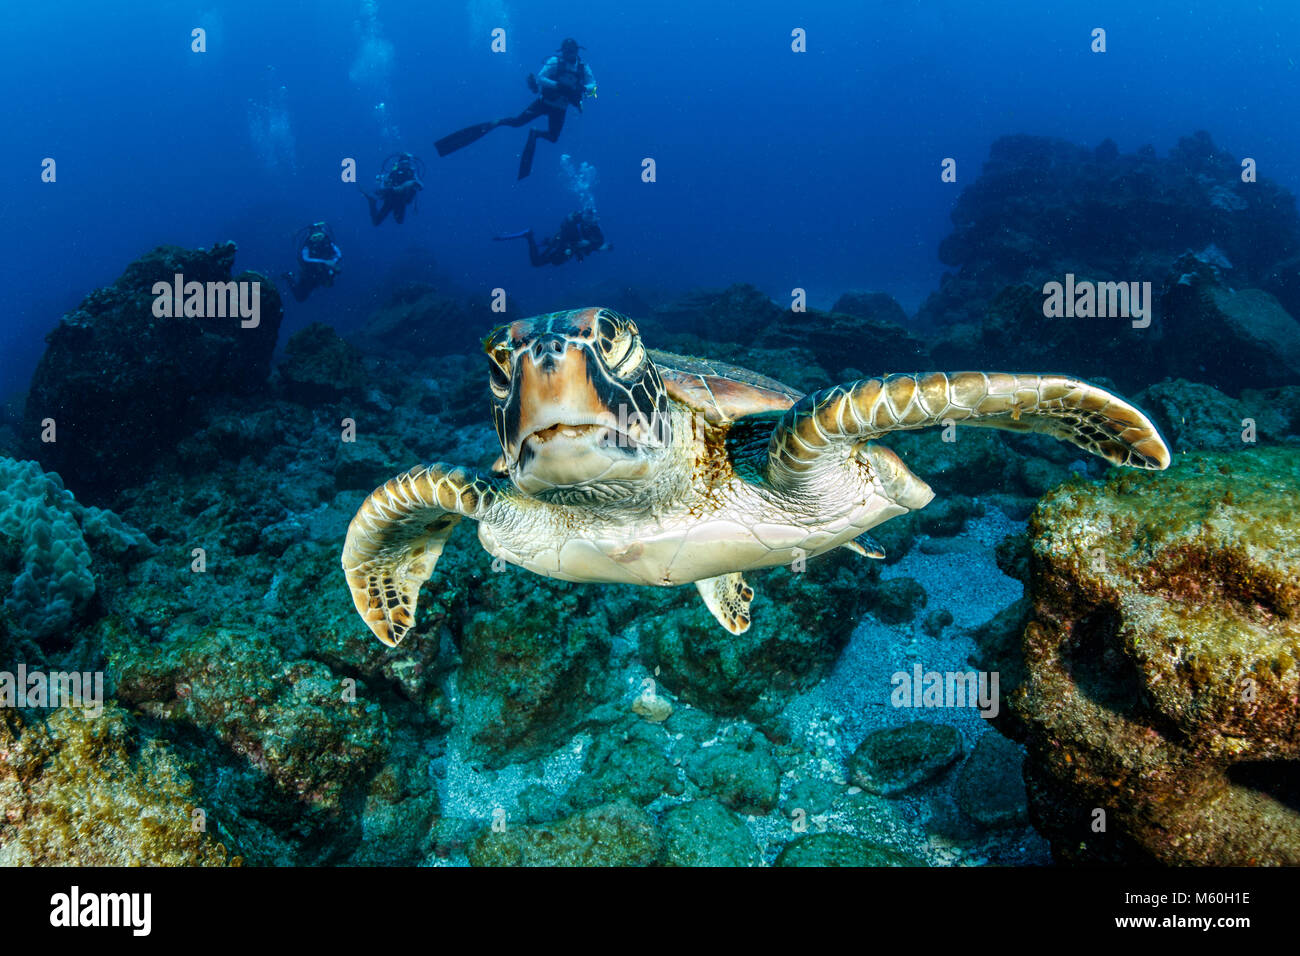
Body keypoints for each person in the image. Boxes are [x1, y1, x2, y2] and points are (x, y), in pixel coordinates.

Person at [435, 38, 597, 179]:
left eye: (572, 51)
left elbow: (594, 87)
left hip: (560, 108)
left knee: (553, 138)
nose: (570, 54)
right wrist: (559, 86)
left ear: (577, 51)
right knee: (516, 122)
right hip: (544, 102)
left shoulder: (583, 68)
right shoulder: (555, 62)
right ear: (562, 51)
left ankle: (535, 134)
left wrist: (583, 89)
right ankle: (498, 122)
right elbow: (540, 78)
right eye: (567, 51)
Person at [494, 208, 610, 267]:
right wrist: (572, 245)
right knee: (537, 262)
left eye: (593, 218)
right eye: (588, 217)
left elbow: (599, 244)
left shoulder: (595, 230)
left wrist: (590, 244)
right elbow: (565, 230)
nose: (591, 220)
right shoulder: (576, 220)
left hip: (564, 246)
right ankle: (529, 236)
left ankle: (534, 239)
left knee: (547, 260)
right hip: (560, 245)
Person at [282, 223, 342, 302]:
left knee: (331, 279)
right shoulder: (307, 245)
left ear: (324, 234)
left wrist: (333, 262)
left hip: (323, 272)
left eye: (320, 236)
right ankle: (289, 277)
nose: (318, 240)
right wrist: (325, 262)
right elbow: (305, 258)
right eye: (314, 237)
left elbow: (339, 254)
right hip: (310, 273)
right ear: (310, 237)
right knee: (300, 297)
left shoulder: (329, 243)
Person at [362, 152, 424, 225]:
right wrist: (390, 188)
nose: (404, 166)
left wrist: (413, 183)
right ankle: (372, 202)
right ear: (399, 164)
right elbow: (383, 185)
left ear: (409, 165)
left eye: (406, 164)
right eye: (402, 164)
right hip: (390, 199)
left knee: (399, 221)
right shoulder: (393, 172)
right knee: (376, 222)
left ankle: (372, 200)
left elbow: (421, 186)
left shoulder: (412, 174)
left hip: (402, 201)